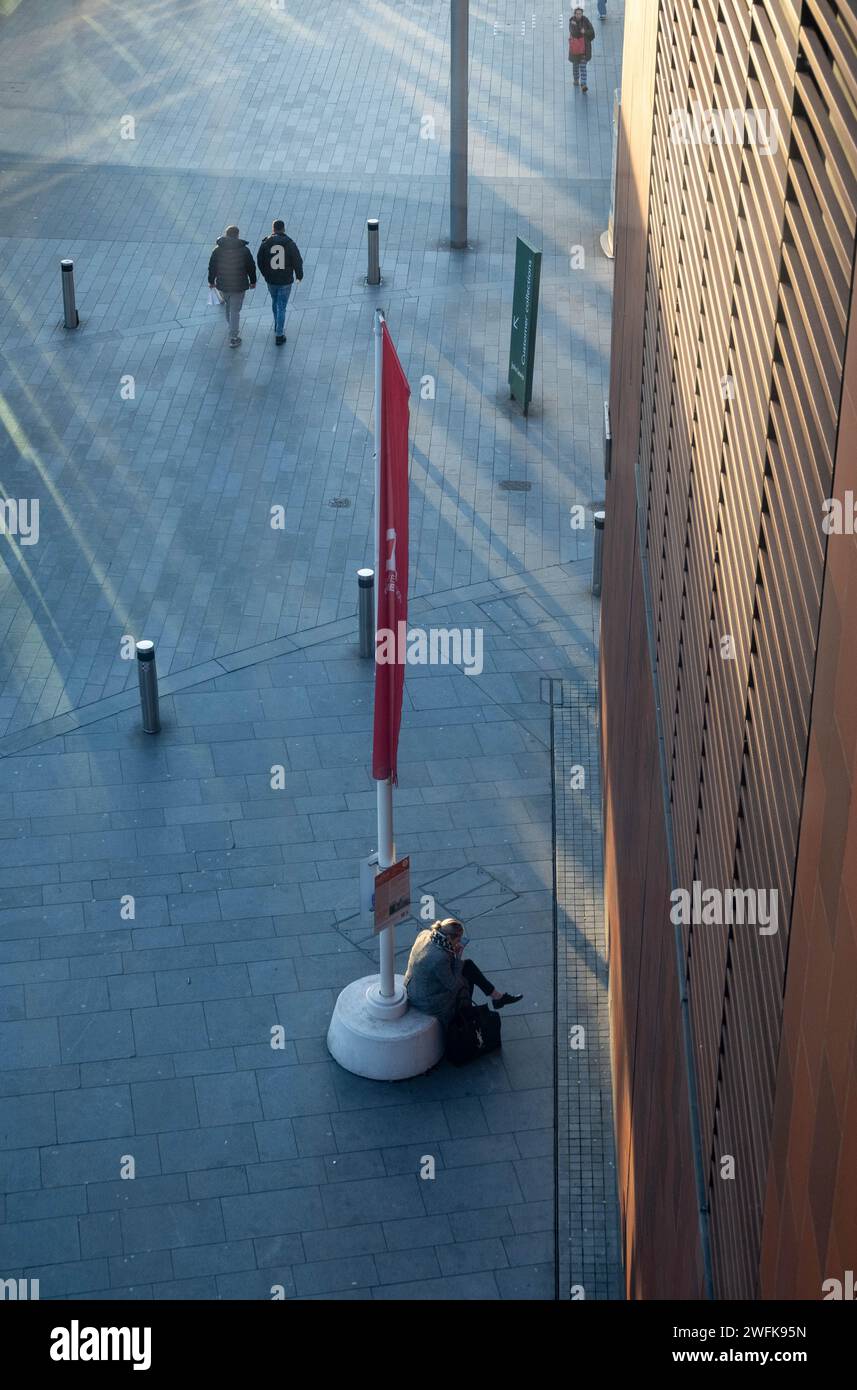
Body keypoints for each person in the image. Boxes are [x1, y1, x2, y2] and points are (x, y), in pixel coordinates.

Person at [404, 917, 523, 1029]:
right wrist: (457, 958)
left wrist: (455, 958)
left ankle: (497, 997)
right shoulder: (439, 958)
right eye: (458, 939)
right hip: (427, 1000)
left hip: (413, 986)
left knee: (468, 966)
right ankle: (467, 1014)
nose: (459, 942)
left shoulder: (425, 935)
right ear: (450, 938)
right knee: (466, 980)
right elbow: (453, 985)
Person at [256, 219, 304, 346]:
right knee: (281, 306)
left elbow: (259, 260)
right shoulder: (290, 244)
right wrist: (299, 275)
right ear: (283, 229)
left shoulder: (266, 243)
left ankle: (277, 324)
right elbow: (297, 261)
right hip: (285, 280)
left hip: (271, 280)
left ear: (273, 229)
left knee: (275, 301)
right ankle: (279, 334)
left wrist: (265, 274)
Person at [208, 226, 256, 348]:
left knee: (229, 307)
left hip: (223, 284)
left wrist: (211, 281)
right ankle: (233, 337)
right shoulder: (244, 250)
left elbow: (212, 267)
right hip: (239, 285)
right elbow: (251, 266)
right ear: (237, 235)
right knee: (235, 310)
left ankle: (232, 326)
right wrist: (253, 281)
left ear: (226, 234)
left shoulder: (217, 250)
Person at [569, 8, 596, 93]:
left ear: (582, 14)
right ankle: (576, 79)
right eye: (577, 14)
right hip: (575, 49)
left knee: (583, 67)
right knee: (575, 66)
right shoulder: (572, 22)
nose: (578, 15)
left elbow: (592, 32)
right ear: (574, 14)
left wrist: (585, 32)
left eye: (580, 13)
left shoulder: (586, 21)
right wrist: (581, 30)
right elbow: (574, 33)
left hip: (584, 49)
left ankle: (583, 84)